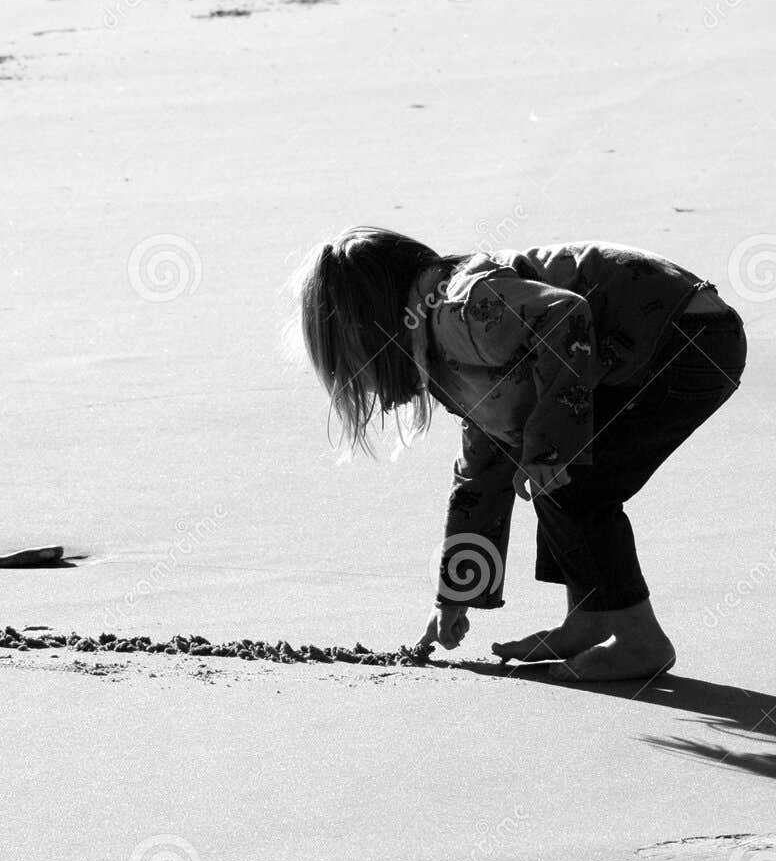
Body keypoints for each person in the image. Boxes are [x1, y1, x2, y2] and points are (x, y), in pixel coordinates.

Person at [298, 227, 746, 681]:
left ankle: (639, 641)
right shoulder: (445, 348)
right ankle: (591, 615)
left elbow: (564, 313)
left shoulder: (460, 312)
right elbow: (482, 472)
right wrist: (453, 595)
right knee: (554, 470)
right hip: (660, 339)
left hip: (687, 338)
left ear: (370, 330)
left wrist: (551, 447)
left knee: (570, 479)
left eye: (349, 364)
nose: (358, 381)